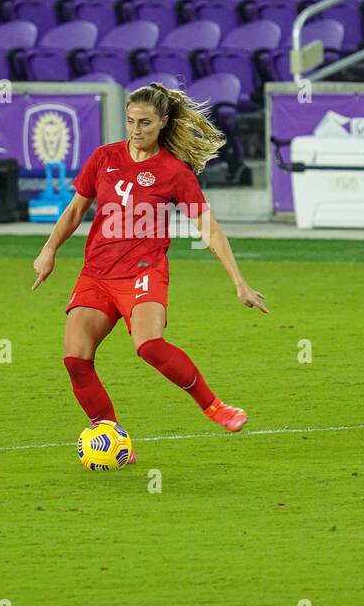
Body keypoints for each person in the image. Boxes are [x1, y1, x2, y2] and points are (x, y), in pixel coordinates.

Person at [32, 82, 269, 433]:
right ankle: (108, 433)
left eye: (144, 122)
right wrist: (49, 250)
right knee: (75, 360)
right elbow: (74, 211)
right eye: (130, 121)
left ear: (162, 122)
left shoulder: (175, 173)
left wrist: (240, 283)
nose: (135, 130)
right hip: (97, 273)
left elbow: (210, 229)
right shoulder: (104, 158)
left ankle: (215, 406)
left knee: (150, 346)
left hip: (144, 273)